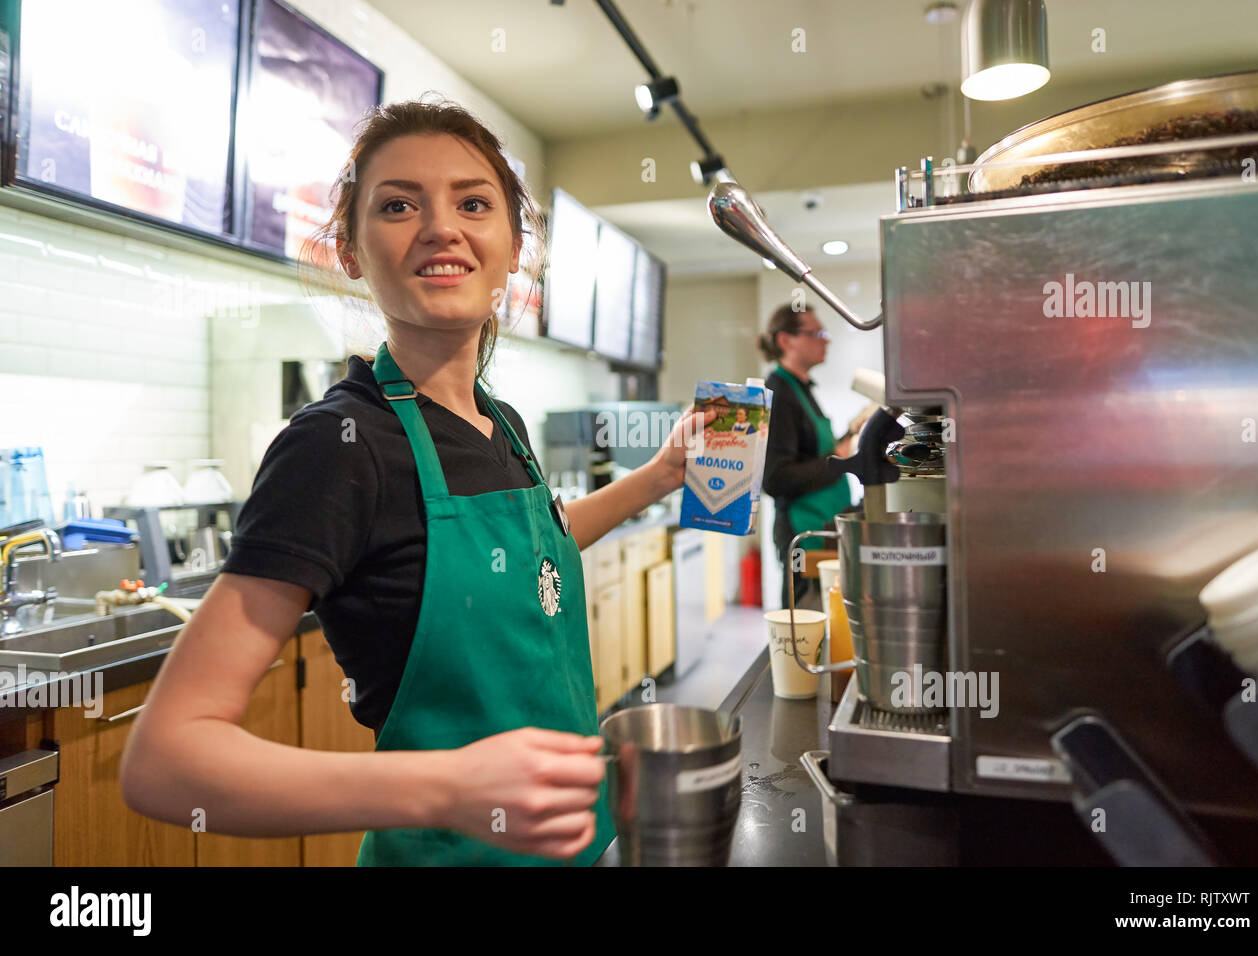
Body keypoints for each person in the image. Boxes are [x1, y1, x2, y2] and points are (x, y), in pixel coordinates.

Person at [119, 97, 716, 867]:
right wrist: (447, 788)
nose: (442, 228)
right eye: (398, 205)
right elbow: (166, 761)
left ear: (512, 247)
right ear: (351, 250)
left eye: (473, 203)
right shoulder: (338, 447)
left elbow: (544, 549)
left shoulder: (500, 422)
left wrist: (662, 474)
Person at [757, 305, 863, 608]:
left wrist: (848, 436)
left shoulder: (801, 389)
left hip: (822, 525)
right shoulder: (778, 392)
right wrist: (839, 456)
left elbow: (811, 455)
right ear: (785, 341)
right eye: (815, 333)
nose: (825, 340)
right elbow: (776, 478)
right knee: (804, 627)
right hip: (803, 535)